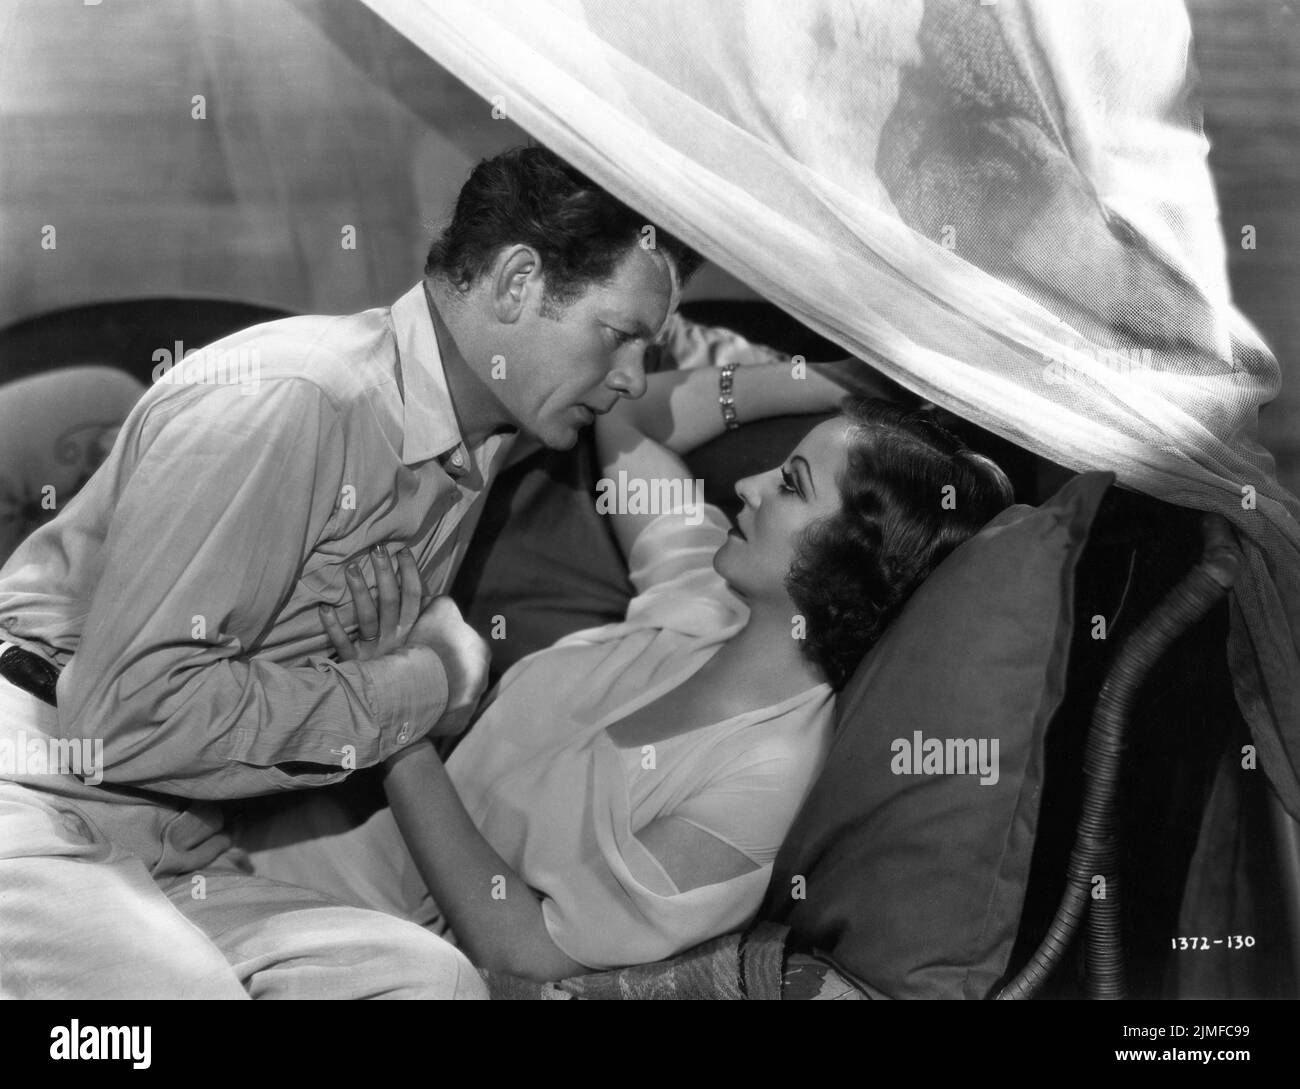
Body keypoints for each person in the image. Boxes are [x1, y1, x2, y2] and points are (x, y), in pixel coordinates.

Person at [0, 144, 704, 999]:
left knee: (429, 979)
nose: (632, 378)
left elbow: (681, 403)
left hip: (172, 824)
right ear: (518, 282)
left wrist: (828, 380)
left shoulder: (482, 428)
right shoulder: (295, 400)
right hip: (34, 782)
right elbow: (127, 715)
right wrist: (417, 684)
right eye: (620, 337)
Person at [237, 355, 1015, 982]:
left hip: (352, 945)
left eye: (788, 485)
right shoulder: (706, 596)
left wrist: (398, 718)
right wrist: (836, 377)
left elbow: (524, 947)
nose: (746, 486)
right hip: (288, 835)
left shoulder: (759, 784)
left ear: (852, 566)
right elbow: (627, 415)